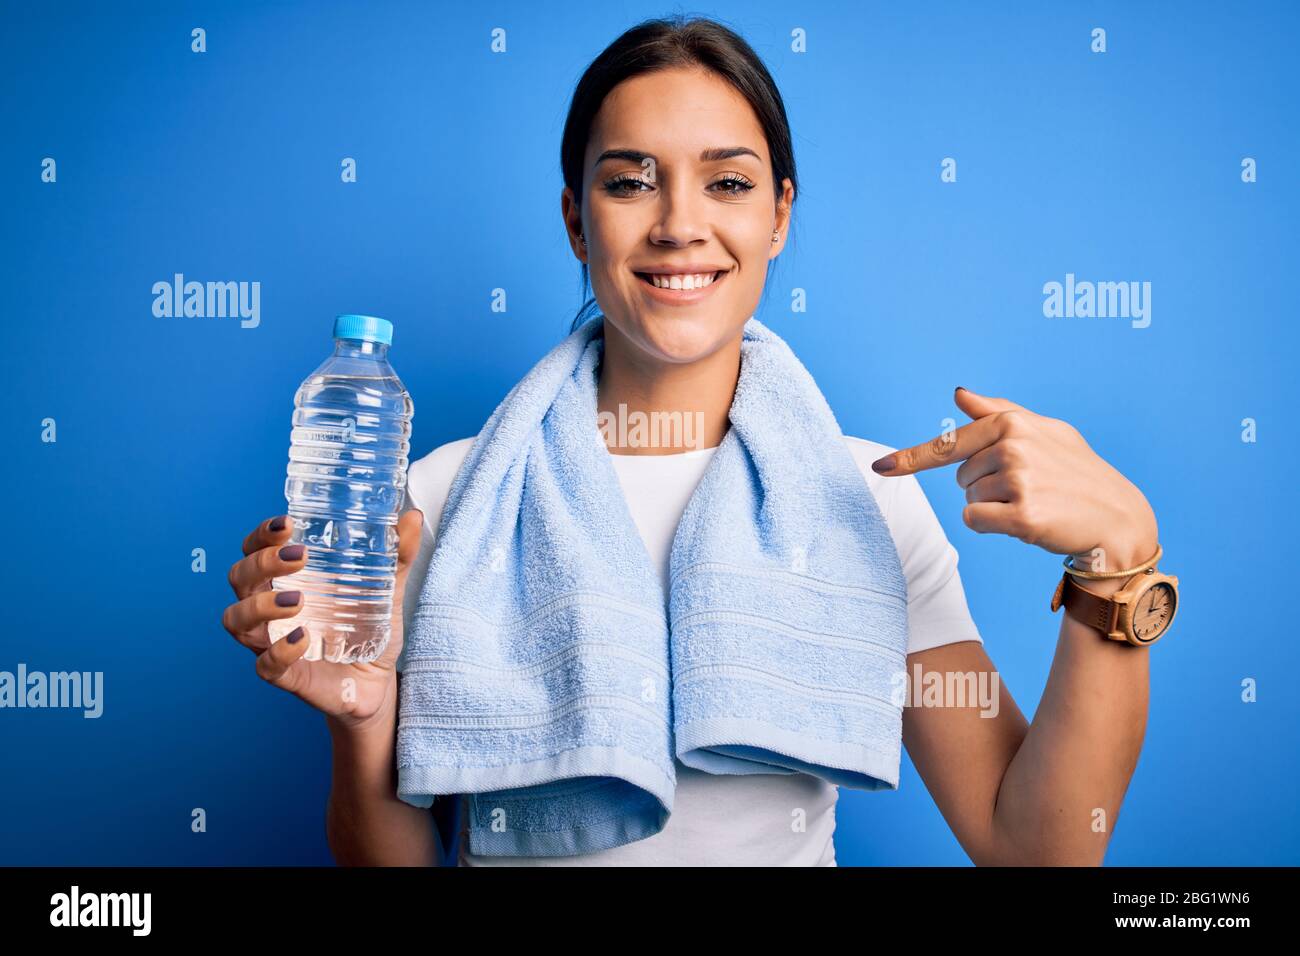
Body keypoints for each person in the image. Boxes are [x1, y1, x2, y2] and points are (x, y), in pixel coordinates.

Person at [222, 16, 1160, 867]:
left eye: (728, 182)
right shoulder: (446, 498)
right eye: (630, 182)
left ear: (779, 216)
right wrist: (364, 717)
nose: (678, 224)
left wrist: (1121, 562)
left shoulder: (861, 501)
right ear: (575, 221)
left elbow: (1036, 852)